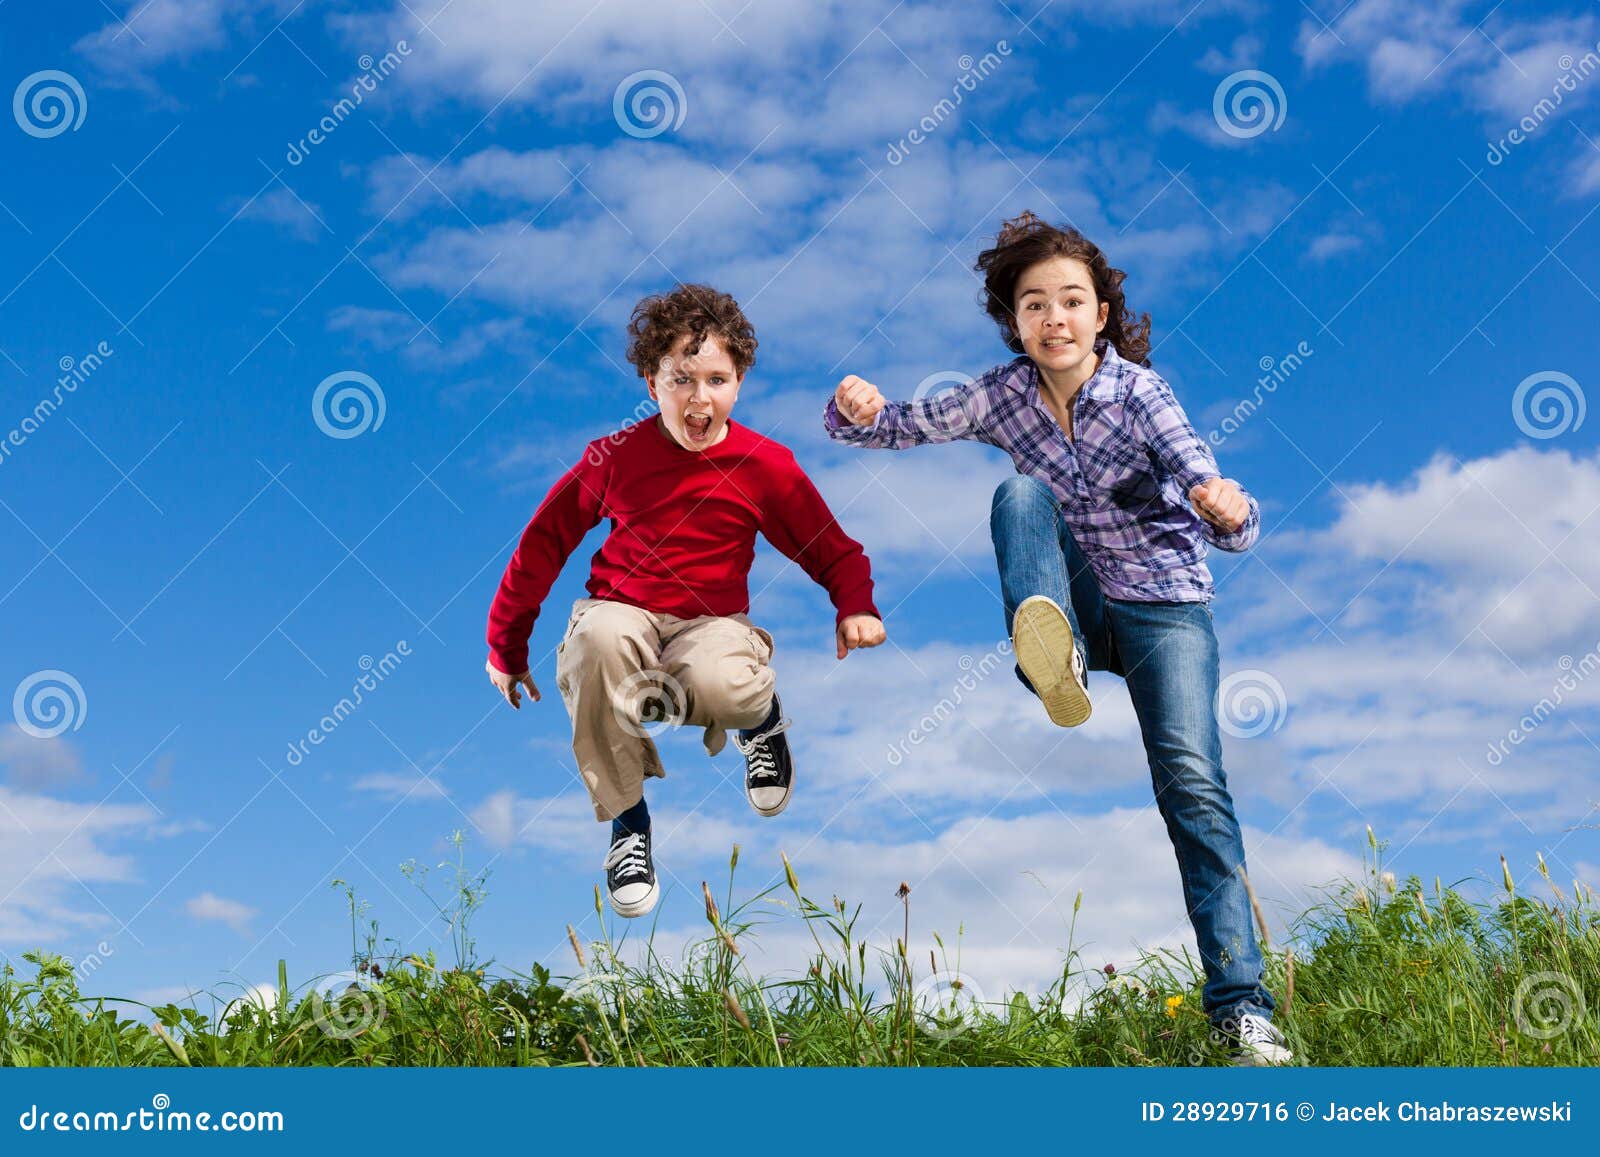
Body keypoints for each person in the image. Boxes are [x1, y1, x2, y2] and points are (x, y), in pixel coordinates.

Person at [821, 211, 1292, 1066]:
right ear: (1015, 320)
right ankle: (1055, 654)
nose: (1055, 319)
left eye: (1071, 301)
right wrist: (858, 406)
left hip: (1163, 608)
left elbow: (1210, 489)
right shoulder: (1002, 394)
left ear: (1101, 315)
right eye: (1034, 304)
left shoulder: (1142, 395)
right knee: (1018, 496)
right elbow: (902, 424)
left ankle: (1242, 1011)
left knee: (1192, 786)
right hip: (1076, 597)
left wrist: (1227, 507)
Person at [486, 283, 886, 919]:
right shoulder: (615, 457)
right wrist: (505, 647)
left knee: (717, 678)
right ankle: (628, 821)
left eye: (716, 380)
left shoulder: (765, 465)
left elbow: (830, 546)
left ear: (739, 382)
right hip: (623, 613)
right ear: (652, 383)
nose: (699, 398)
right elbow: (542, 545)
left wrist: (854, 605)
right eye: (681, 379)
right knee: (598, 642)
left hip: (713, 624)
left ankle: (761, 721)